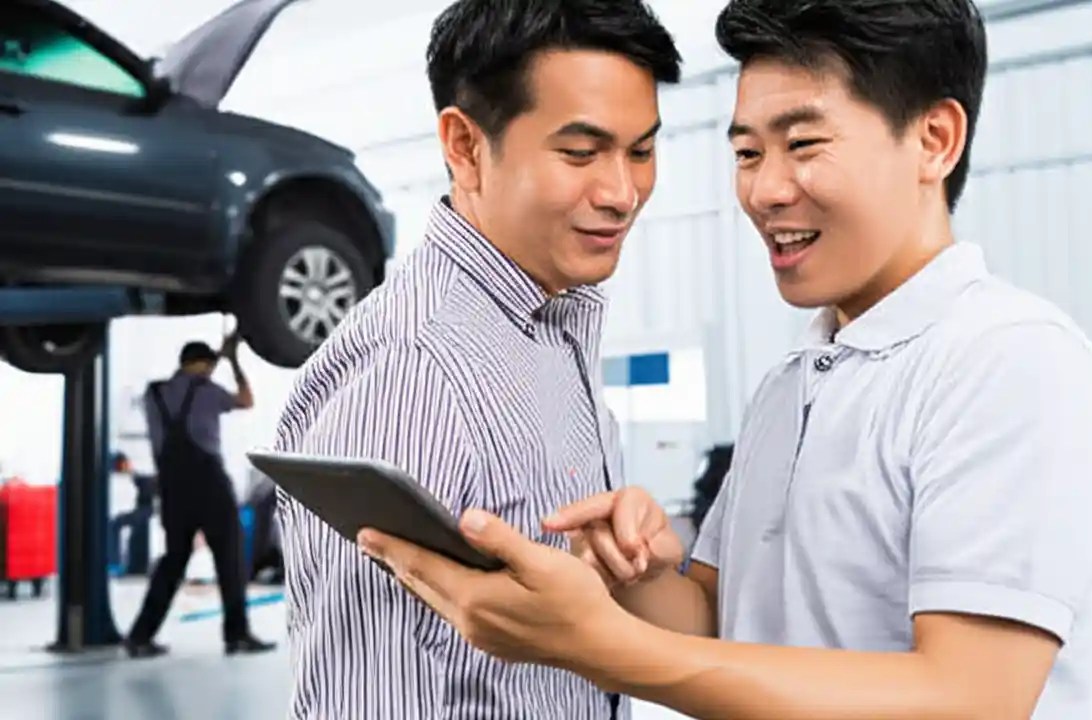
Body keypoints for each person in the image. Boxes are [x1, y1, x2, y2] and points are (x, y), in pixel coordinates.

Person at [356, 1, 1092, 718]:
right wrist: (638, 576)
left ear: (934, 141)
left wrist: (600, 647)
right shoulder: (794, 383)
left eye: (802, 145)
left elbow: (967, 698)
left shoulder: (1009, 363)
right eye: (747, 152)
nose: (764, 190)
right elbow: (715, 620)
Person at [269, 1, 681, 717]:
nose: (621, 193)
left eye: (641, 151)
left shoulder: (551, 324)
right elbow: (370, 695)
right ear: (463, 146)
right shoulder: (415, 370)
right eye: (580, 153)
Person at [124, 333, 274, 659]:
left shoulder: (155, 393)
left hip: (172, 488)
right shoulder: (207, 390)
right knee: (230, 557)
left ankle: (139, 636)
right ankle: (237, 635)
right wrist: (233, 360)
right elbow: (247, 400)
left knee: (173, 561)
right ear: (206, 365)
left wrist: (215, 360)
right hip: (208, 484)